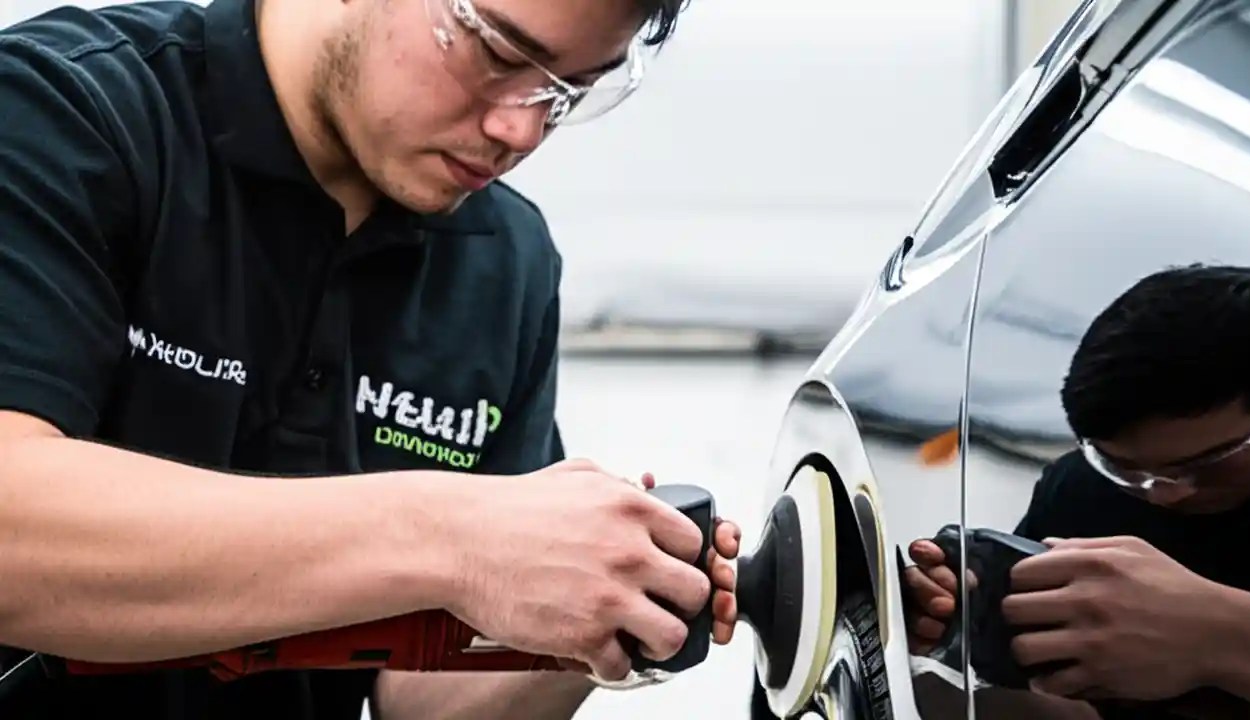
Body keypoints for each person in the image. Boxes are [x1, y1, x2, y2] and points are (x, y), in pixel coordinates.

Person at [0, 0, 742, 717]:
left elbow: (413, 697)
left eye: (567, 93)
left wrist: (602, 623)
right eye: (497, 53)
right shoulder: (61, 115)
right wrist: (458, 537)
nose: (520, 129)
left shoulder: (505, 264)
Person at [903, 264, 1250, 717]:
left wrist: (1222, 635)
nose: (1165, 494)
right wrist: (959, 644)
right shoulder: (1084, 495)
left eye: (1208, 466)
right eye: (1127, 470)